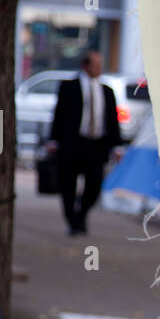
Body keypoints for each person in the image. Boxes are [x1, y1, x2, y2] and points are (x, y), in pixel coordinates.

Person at [48, 51, 122, 235]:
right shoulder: (69, 87)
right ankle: (73, 221)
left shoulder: (106, 91)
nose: (99, 69)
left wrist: (117, 145)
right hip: (73, 144)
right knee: (68, 185)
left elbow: (112, 120)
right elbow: (59, 114)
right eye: (96, 65)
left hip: (96, 145)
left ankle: (81, 215)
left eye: (100, 66)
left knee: (94, 184)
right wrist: (53, 140)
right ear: (86, 66)